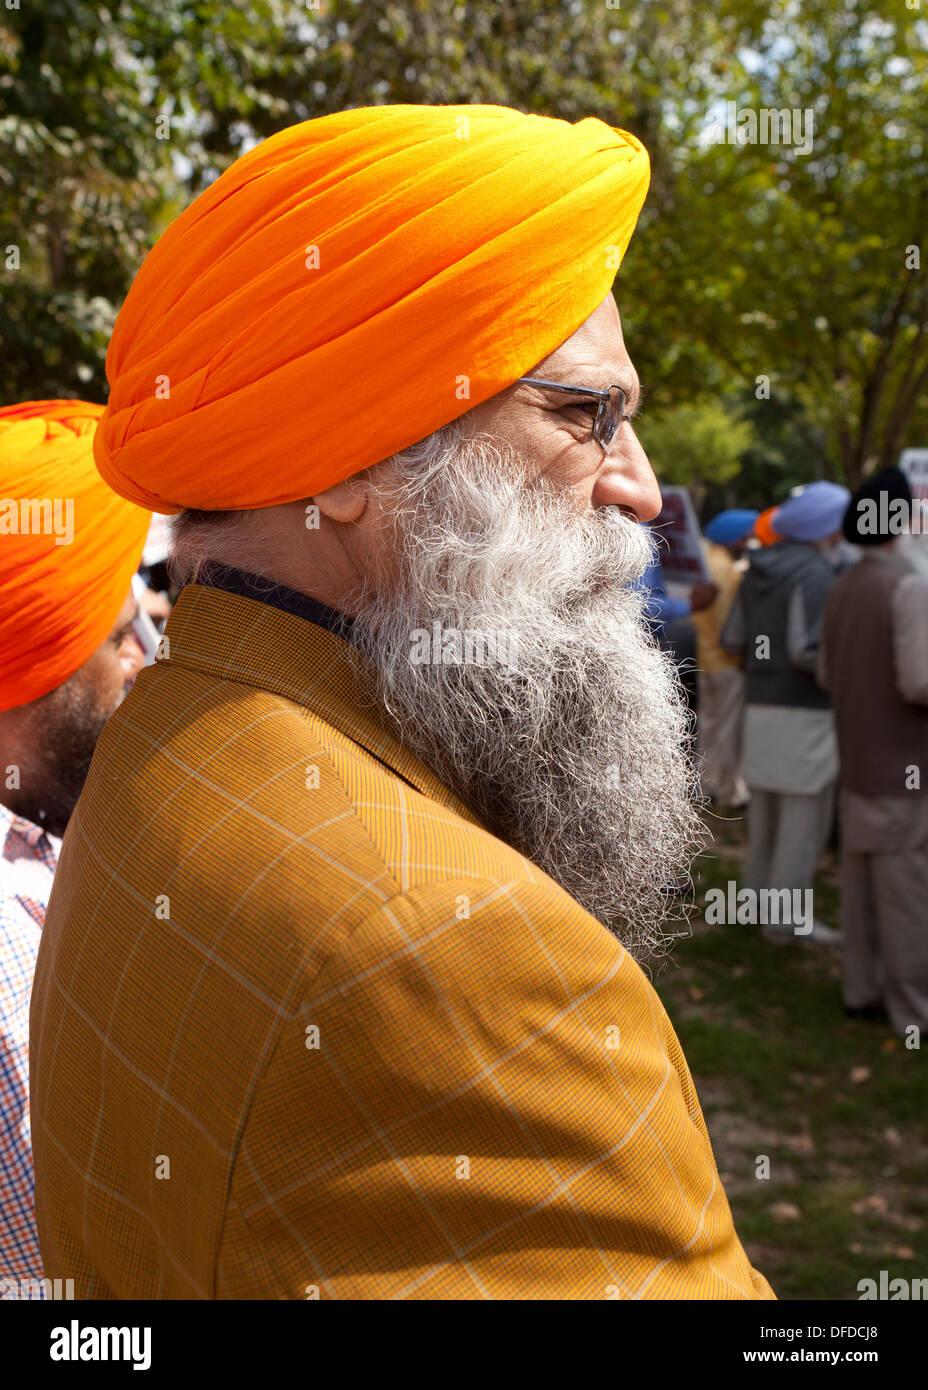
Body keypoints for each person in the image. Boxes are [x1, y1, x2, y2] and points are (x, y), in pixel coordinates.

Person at [30, 105, 773, 1301]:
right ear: (348, 462)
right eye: (590, 415)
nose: (639, 489)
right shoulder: (449, 948)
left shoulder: (160, 733)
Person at [0, 400, 149, 1292]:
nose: (149, 659)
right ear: (34, 664)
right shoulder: (12, 979)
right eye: (122, 631)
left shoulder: (46, 832)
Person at [820, 468, 928, 1034]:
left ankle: (861, 991)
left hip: (856, 759)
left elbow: (825, 670)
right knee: (908, 897)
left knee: (861, 888)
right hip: (904, 767)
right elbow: (918, 683)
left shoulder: (843, 584)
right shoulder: (907, 586)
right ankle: (916, 1011)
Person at [721, 481, 849, 944]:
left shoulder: (757, 569)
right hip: (807, 709)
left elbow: (733, 639)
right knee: (803, 821)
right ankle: (786, 923)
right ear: (828, 528)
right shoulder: (816, 573)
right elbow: (808, 650)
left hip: (761, 704)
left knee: (768, 813)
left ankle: (757, 903)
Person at [692, 509, 757, 808]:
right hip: (727, 662)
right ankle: (729, 792)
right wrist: (739, 655)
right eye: (746, 535)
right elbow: (729, 624)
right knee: (729, 730)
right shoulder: (726, 570)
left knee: (708, 726)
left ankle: (706, 786)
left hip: (705, 658)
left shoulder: (705, 561)